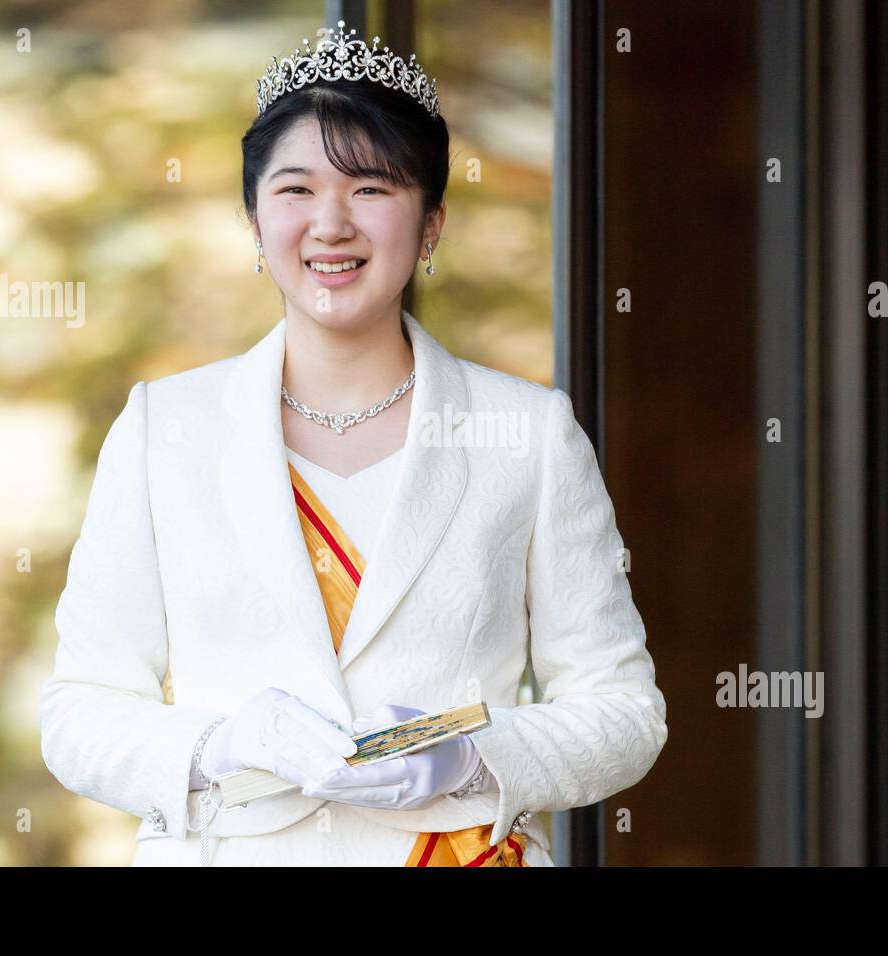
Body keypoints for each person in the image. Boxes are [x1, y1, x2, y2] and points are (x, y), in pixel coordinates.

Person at [38, 21, 667, 867]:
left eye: (371, 188)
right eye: (295, 190)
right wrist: (219, 745)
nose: (331, 224)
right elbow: (79, 711)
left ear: (432, 222)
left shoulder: (528, 433)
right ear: (255, 221)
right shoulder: (165, 429)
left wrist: (473, 755)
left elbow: (623, 712)